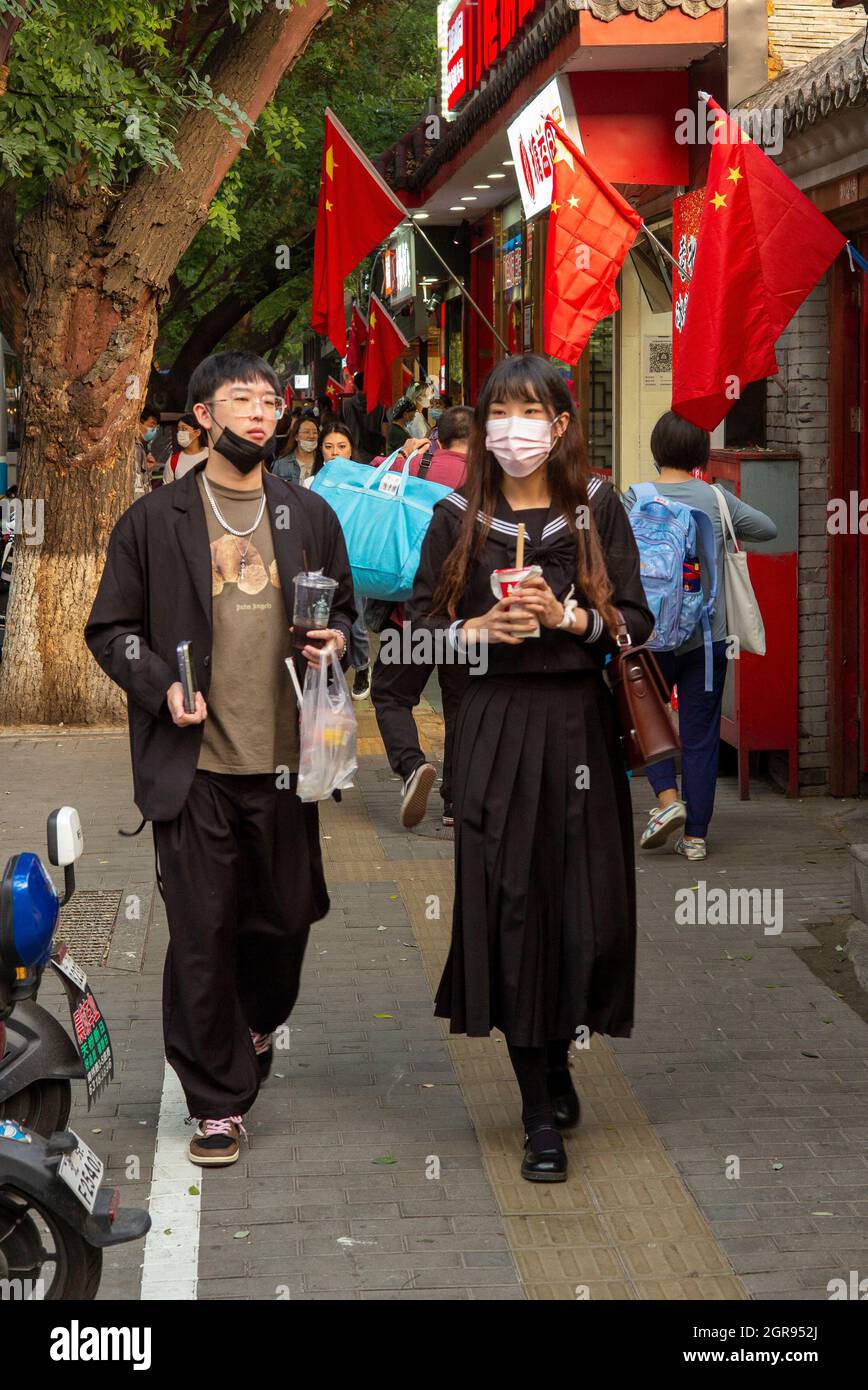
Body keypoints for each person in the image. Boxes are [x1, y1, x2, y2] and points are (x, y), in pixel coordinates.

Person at [85, 350, 355, 1168]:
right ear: (202, 415)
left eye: (270, 401)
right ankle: (216, 1101)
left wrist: (342, 640)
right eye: (242, 400)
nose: (260, 414)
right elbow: (111, 630)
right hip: (193, 765)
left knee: (283, 923)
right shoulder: (154, 521)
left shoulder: (305, 515)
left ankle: (257, 1022)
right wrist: (161, 685)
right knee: (201, 932)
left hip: (286, 762)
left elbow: (350, 615)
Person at [407, 354, 653, 1184]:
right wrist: (475, 632)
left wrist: (573, 616)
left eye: (532, 413)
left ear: (560, 425)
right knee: (511, 908)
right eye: (500, 413)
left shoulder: (596, 512)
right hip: (491, 732)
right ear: (483, 426)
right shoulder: (455, 518)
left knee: (581, 911)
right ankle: (537, 1112)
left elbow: (638, 623)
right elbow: (410, 636)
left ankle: (559, 1062)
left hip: (580, 734)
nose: (515, 430)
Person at [623, 411, 777, 861]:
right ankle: (695, 836)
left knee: (648, 723)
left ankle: (666, 801)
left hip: (649, 637)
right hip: (708, 640)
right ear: (699, 452)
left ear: (656, 450)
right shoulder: (715, 497)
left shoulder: (636, 498)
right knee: (701, 733)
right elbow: (768, 528)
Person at [371, 405, 474, 828]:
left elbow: (371, 477)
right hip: (468, 621)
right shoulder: (491, 480)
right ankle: (457, 802)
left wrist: (406, 451)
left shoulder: (415, 461)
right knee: (462, 706)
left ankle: (413, 766)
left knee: (391, 695)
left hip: (410, 613)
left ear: (437, 434)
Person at [311, 419, 372, 700]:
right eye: (329, 446)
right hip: (320, 565)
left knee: (355, 620)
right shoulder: (311, 484)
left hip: (354, 562)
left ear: (351, 450)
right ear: (321, 451)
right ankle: (328, 677)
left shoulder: (366, 482)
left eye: (341, 446)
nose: (335, 452)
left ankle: (361, 665)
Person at [342, 372, 386, 464]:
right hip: (374, 451)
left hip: (353, 450)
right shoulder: (380, 406)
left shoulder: (346, 404)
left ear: (354, 385)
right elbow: (384, 430)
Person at [272, 410, 318, 485]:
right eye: (306, 432)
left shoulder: (323, 462)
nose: (311, 436)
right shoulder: (282, 464)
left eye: (315, 432)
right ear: (296, 436)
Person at [162, 413, 209, 484]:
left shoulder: (211, 455)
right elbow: (167, 490)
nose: (180, 433)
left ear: (197, 432)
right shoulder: (173, 461)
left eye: (184, 429)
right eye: (178, 430)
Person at [134, 406, 160, 498]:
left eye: (156, 427)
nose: (154, 430)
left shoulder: (143, 450)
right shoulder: (133, 449)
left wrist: (148, 470)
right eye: (152, 425)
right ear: (139, 422)